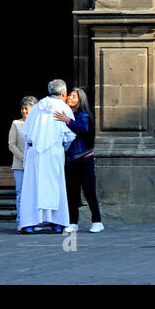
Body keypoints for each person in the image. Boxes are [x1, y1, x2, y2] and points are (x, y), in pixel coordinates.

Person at [17, 79, 75, 234]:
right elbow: (70, 134)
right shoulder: (64, 108)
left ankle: (30, 223)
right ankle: (57, 222)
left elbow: (27, 131)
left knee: (33, 188)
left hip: (36, 153)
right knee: (55, 186)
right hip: (54, 152)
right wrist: (64, 148)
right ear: (63, 93)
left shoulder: (37, 107)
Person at [55, 87, 104, 233]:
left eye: (73, 96)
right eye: (69, 95)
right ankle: (73, 222)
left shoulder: (83, 115)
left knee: (89, 191)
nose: (69, 97)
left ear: (80, 100)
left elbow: (84, 129)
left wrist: (67, 120)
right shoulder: (68, 113)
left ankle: (97, 221)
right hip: (71, 160)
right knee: (72, 192)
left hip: (84, 159)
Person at [8, 96, 35, 222]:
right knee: (21, 194)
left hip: (35, 164)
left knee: (34, 195)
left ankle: (34, 220)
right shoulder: (16, 124)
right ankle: (21, 220)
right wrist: (23, 157)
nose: (24, 111)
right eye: (22, 109)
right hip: (20, 165)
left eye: (27, 109)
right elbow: (11, 144)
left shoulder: (39, 125)